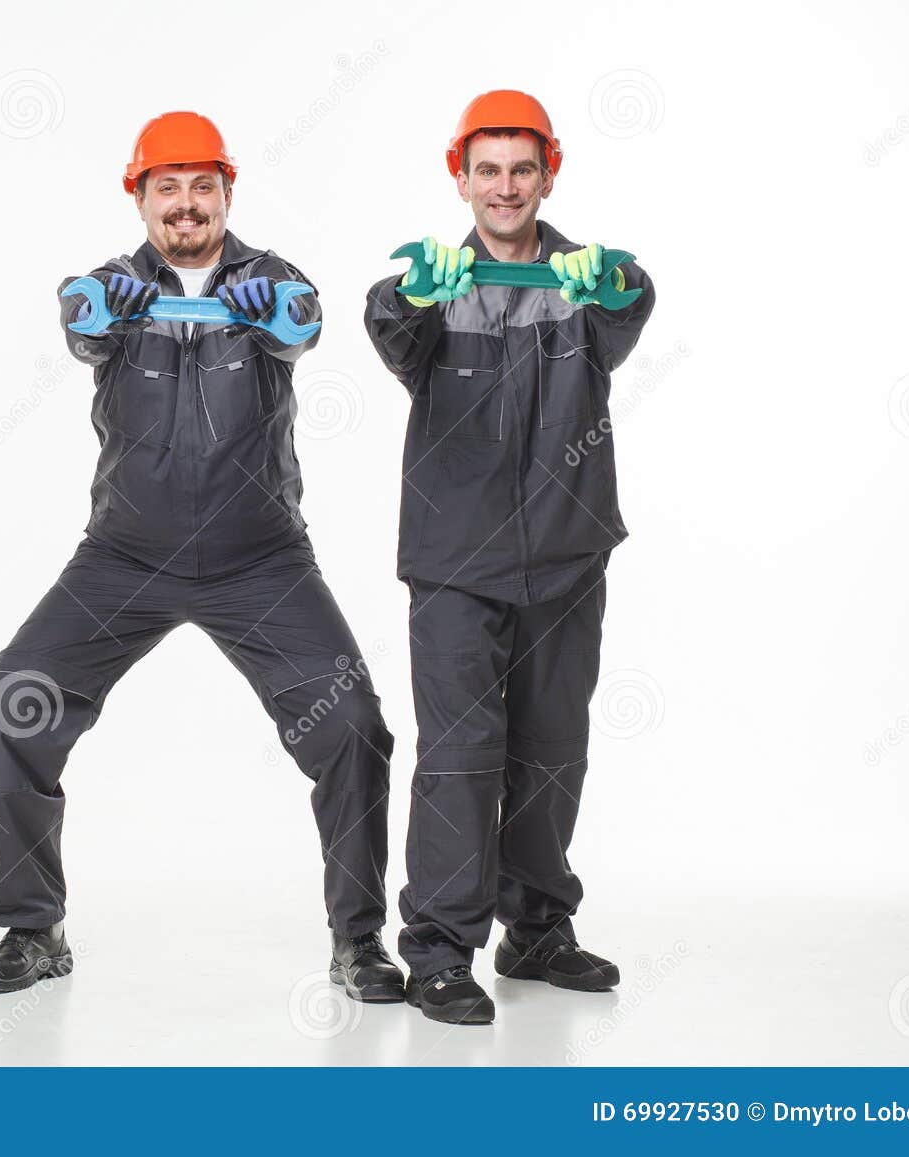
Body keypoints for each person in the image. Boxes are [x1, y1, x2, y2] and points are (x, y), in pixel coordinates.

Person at [0, 112, 401, 1002]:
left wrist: (275, 313)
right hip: (124, 556)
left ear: (227, 194)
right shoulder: (112, 284)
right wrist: (96, 306)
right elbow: (81, 326)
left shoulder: (273, 278)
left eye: (203, 186)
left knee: (353, 724)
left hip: (261, 559)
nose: (186, 203)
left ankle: (358, 942)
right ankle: (33, 928)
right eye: (167, 187)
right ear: (140, 197)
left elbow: (302, 326)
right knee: (8, 711)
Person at [364, 90, 656, 1025]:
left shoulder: (584, 282)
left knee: (552, 749)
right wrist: (413, 292)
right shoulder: (433, 285)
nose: (504, 186)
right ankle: (440, 951)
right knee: (461, 755)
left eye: (521, 168)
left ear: (548, 175)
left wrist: (616, 280)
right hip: (456, 559)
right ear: (461, 178)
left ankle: (536, 930)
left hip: (566, 552)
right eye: (486, 169)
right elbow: (389, 328)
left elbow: (633, 303)